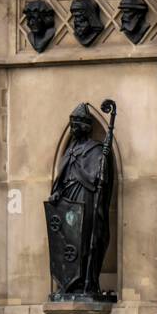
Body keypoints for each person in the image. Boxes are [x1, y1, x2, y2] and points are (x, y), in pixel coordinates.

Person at [46, 104, 113, 298]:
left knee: (85, 242)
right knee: (67, 243)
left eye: (77, 125)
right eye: (72, 125)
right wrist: (57, 193)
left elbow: (100, 180)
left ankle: (87, 283)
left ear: (85, 126)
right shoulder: (69, 151)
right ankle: (68, 284)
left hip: (86, 201)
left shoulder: (96, 150)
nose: (74, 129)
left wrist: (101, 172)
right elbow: (61, 179)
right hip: (68, 202)